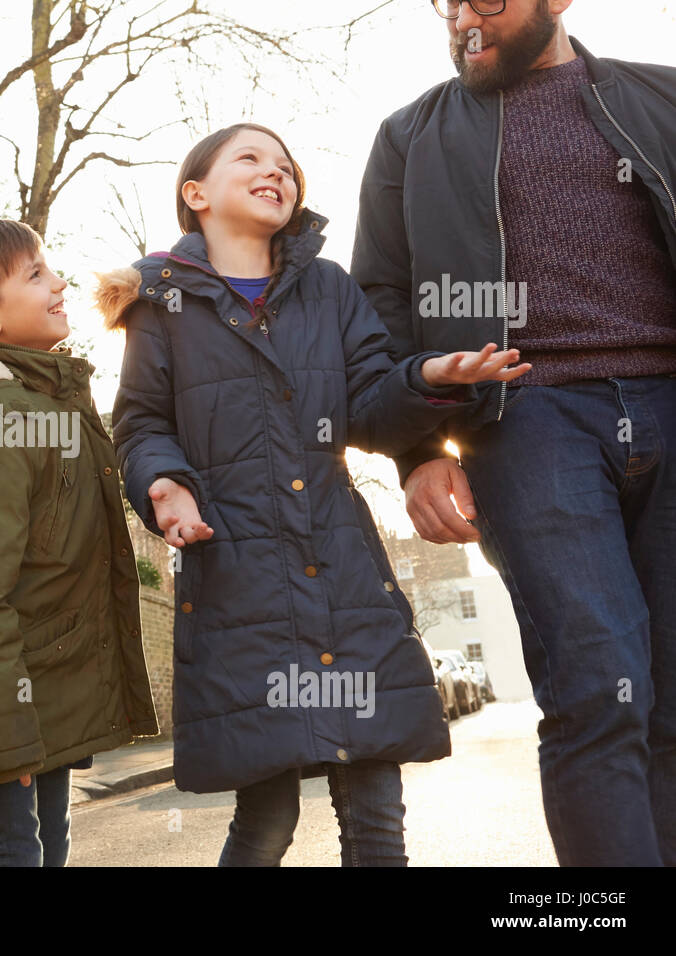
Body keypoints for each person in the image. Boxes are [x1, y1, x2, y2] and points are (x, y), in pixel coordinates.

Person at [100, 123, 529, 866]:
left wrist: (425, 380)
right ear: (195, 193)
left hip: (343, 569)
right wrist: (166, 488)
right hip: (239, 579)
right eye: (251, 159)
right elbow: (140, 422)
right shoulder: (160, 301)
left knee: (375, 808)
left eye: (285, 165)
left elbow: (367, 405)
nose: (276, 171)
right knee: (265, 814)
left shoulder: (328, 287)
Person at [351, 0, 676, 865]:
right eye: (444, 2)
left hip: (669, 400)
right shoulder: (407, 137)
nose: (462, 16)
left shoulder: (662, 98)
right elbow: (379, 310)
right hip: (528, 421)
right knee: (599, 690)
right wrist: (419, 452)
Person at [0, 218, 159, 866]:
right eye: (36, 274)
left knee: (46, 853)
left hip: (49, 700)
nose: (59, 282)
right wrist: (4, 734)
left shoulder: (49, 405)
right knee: (17, 854)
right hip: (8, 712)